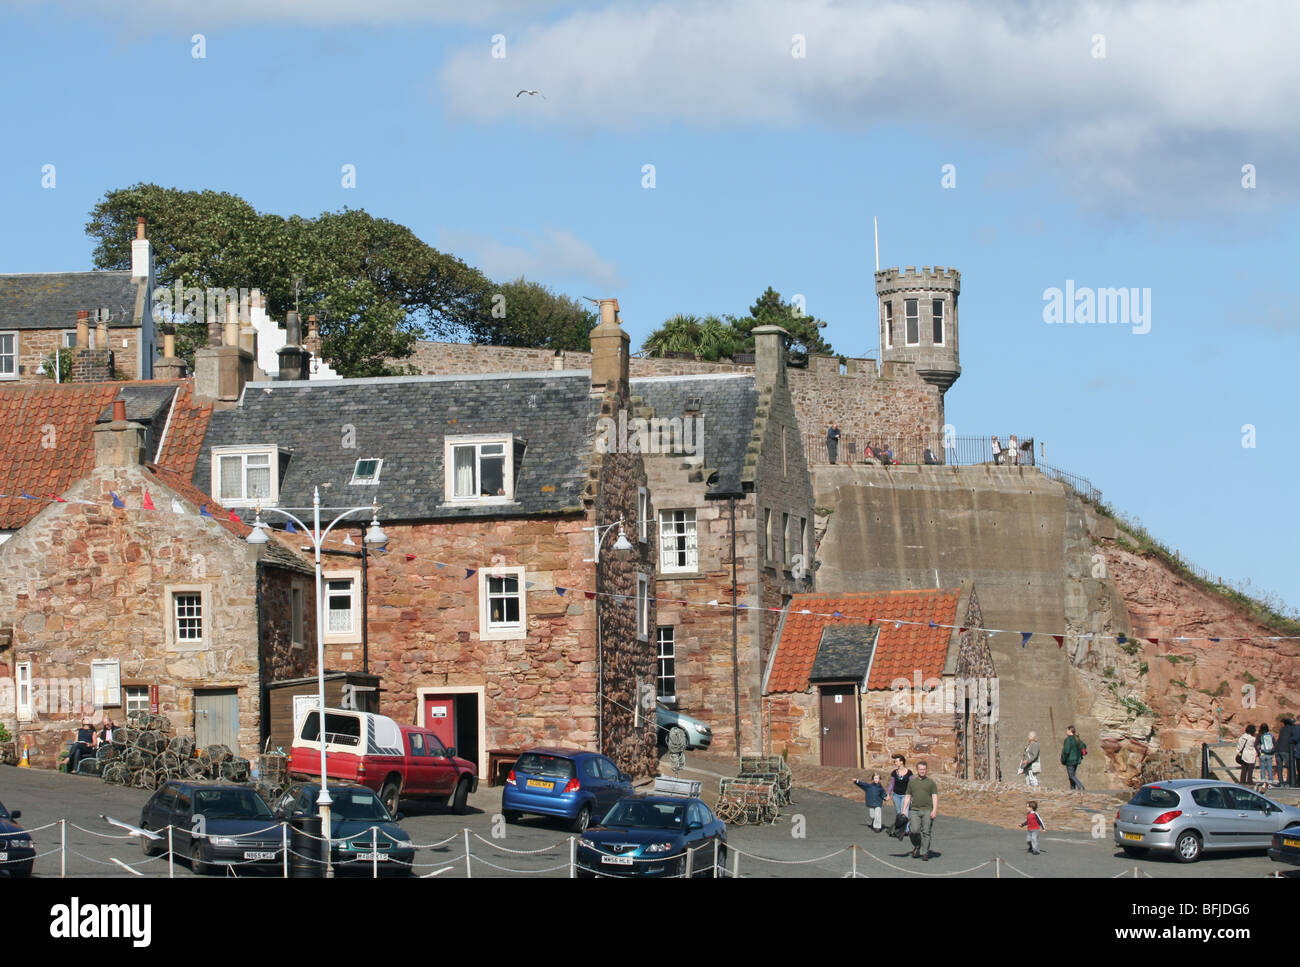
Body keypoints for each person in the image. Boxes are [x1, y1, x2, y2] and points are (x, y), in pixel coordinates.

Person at [901, 760, 939, 860]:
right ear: (917, 770)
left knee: (926, 831)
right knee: (913, 831)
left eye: (924, 769)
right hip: (915, 810)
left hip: (927, 810)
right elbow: (908, 796)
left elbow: (934, 796)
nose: (922, 771)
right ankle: (917, 846)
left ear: (926, 770)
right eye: (920, 769)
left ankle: (925, 852)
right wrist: (903, 810)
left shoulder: (931, 783)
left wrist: (934, 810)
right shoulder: (912, 783)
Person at [887, 754, 913, 834]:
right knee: (899, 813)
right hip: (896, 795)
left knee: (904, 812)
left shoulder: (909, 773)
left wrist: (912, 796)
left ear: (901, 762)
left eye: (896, 761)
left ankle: (907, 830)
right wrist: (888, 794)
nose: (895, 763)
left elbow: (912, 784)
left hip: (906, 795)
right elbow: (892, 784)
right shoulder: (894, 773)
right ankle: (899, 829)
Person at [1061, 726, 1085, 790]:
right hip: (1076, 760)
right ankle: (1072, 789)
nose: (1066, 732)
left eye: (1067, 730)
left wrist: (1063, 759)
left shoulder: (1068, 739)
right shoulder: (1077, 738)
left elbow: (1066, 751)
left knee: (1071, 775)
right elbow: (1084, 746)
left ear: (1069, 731)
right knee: (1072, 775)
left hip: (1070, 760)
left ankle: (1080, 786)